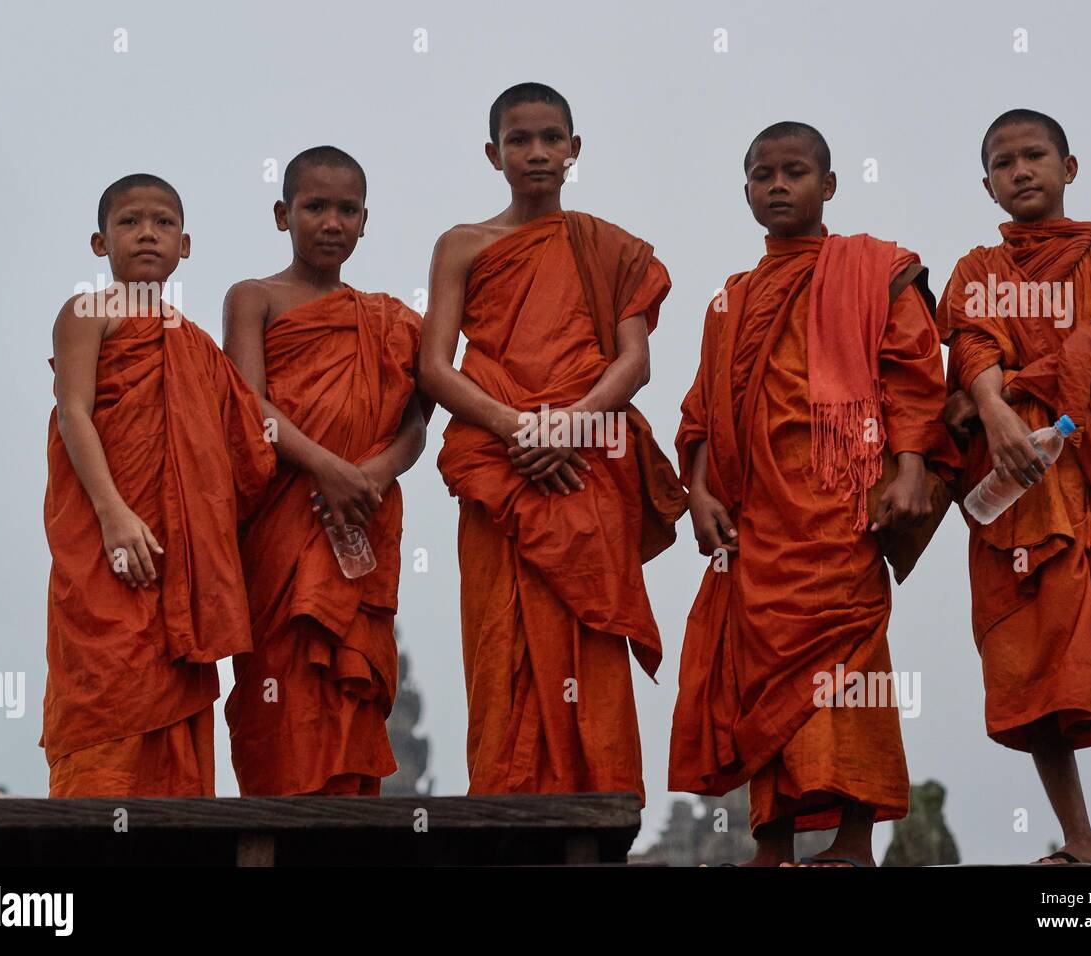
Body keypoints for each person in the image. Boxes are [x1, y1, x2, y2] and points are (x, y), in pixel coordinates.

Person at [669, 123, 955, 866]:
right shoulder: (729, 301)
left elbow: (915, 371)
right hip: (758, 520)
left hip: (841, 507)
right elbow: (699, 412)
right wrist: (699, 493)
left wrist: (912, 467)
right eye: (762, 175)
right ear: (746, 193)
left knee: (848, 672)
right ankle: (775, 842)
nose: (777, 186)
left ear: (828, 186)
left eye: (794, 172)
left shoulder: (875, 270)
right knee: (759, 680)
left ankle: (854, 841)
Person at [937, 109, 1091, 864]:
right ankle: (1079, 843)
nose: (1021, 171)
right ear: (986, 183)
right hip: (1015, 482)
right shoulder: (977, 271)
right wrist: (994, 407)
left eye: (1034, 156)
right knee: (1033, 656)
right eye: (1004, 162)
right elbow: (971, 346)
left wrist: (1014, 383)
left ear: (1069, 168)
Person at [419, 83, 684, 801]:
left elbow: (636, 362)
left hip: (586, 463)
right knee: (500, 637)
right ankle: (508, 813)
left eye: (550, 138)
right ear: (493, 153)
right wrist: (517, 428)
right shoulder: (464, 245)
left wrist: (569, 423)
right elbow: (433, 366)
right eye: (519, 140)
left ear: (575, 149)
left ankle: (595, 807)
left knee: (587, 632)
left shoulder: (609, 248)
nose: (536, 152)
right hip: (498, 466)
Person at [43, 174, 274, 796]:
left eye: (163, 222)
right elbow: (73, 414)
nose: (147, 233)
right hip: (104, 545)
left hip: (178, 565)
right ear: (100, 243)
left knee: (171, 712)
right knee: (106, 682)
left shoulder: (198, 348)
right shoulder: (88, 311)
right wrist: (114, 515)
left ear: (186, 244)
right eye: (129, 221)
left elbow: (243, 457)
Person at [222, 147, 427, 796]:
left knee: (350, 673)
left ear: (366, 220)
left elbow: (416, 426)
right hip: (285, 521)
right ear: (283, 214)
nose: (331, 222)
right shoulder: (253, 298)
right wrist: (327, 467)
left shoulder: (392, 322)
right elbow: (248, 403)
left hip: (360, 516)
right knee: (282, 674)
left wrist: (372, 475)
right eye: (315, 207)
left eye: (346, 209)